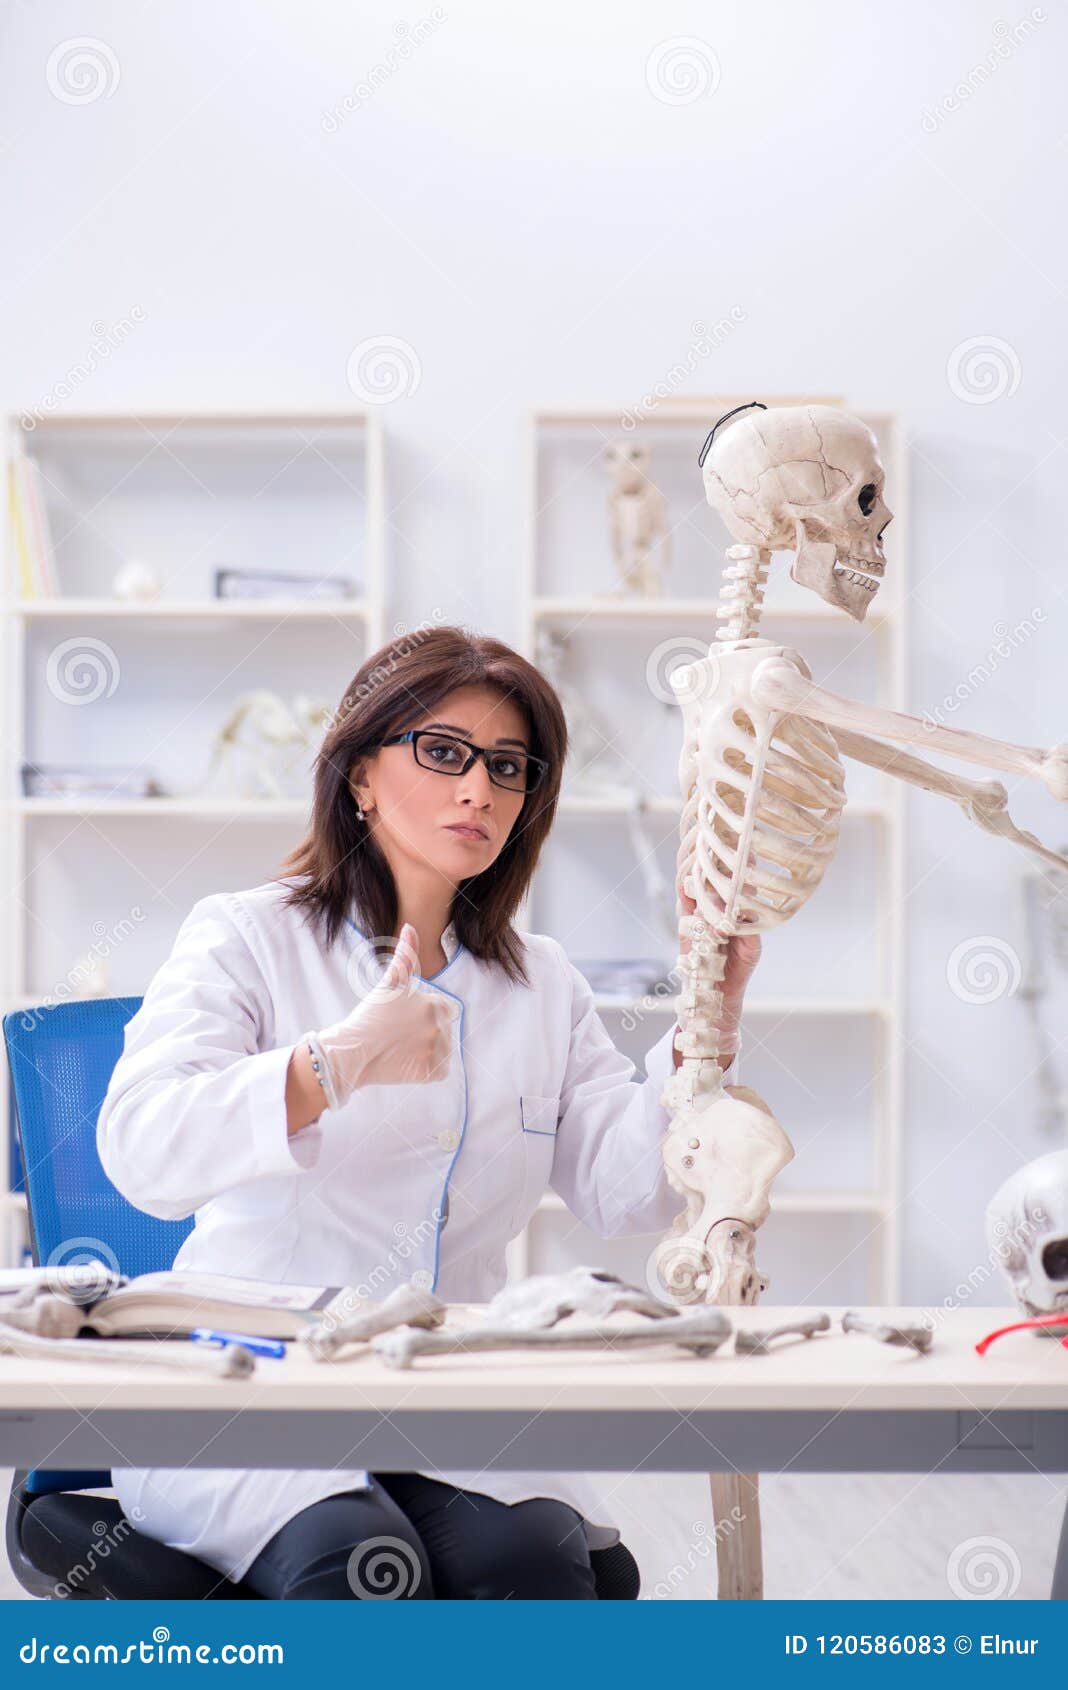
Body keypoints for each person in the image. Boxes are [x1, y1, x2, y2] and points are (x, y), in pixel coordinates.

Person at [96, 624, 761, 1599]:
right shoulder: (246, 936)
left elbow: (634, 1189)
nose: (478, 790)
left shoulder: (542, 981)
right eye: (444, 752)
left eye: (508, 766)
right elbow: (140, 1149)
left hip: (450, 1389)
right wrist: (338, 1062)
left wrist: (712, 1011)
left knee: (542, 1570)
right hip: (261, 1384)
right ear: (360, 774)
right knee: (362, 1569)